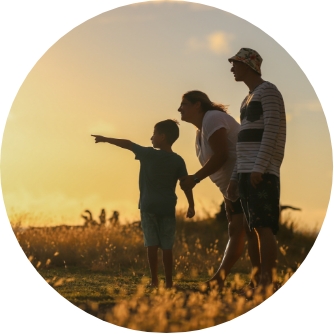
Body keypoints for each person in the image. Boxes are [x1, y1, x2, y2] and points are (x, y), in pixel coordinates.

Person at [92, 119, 195, 289]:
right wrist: (191, 205)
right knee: (167, 246)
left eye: (154, 134)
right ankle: (169, 283)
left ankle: (154, 281)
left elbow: (127, 144)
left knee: (152, 244)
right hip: (168, 207)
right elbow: (185, 184)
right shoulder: (178, 160)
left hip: (148, 206)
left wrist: (105, 139)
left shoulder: (148, 154)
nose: (151, 138)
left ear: (162, 137)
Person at [178, 90, 258, 289]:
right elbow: (221, 164)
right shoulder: (201, 131)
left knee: (250, 229)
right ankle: (245, 279)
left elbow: (222, 155)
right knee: (238, 229)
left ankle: (256, 280)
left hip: (246, 177)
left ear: (198, 105)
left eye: (184, 104)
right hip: (233, 186)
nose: (179, 109)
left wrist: (195, 178)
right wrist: (228, 196)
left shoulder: (212, 118)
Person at [226, 48, 286, 290]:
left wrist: (259, 167)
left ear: (249, 66)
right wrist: (234, 176)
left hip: (261, 172)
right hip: (245, 172)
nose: (232, 68)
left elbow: (272, 131)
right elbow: (243, 141)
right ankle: (257, 280)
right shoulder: (247, 98)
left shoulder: (269, 91)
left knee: (263, 226)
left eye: (236, 64)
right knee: (252, 229)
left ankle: (267, 282)